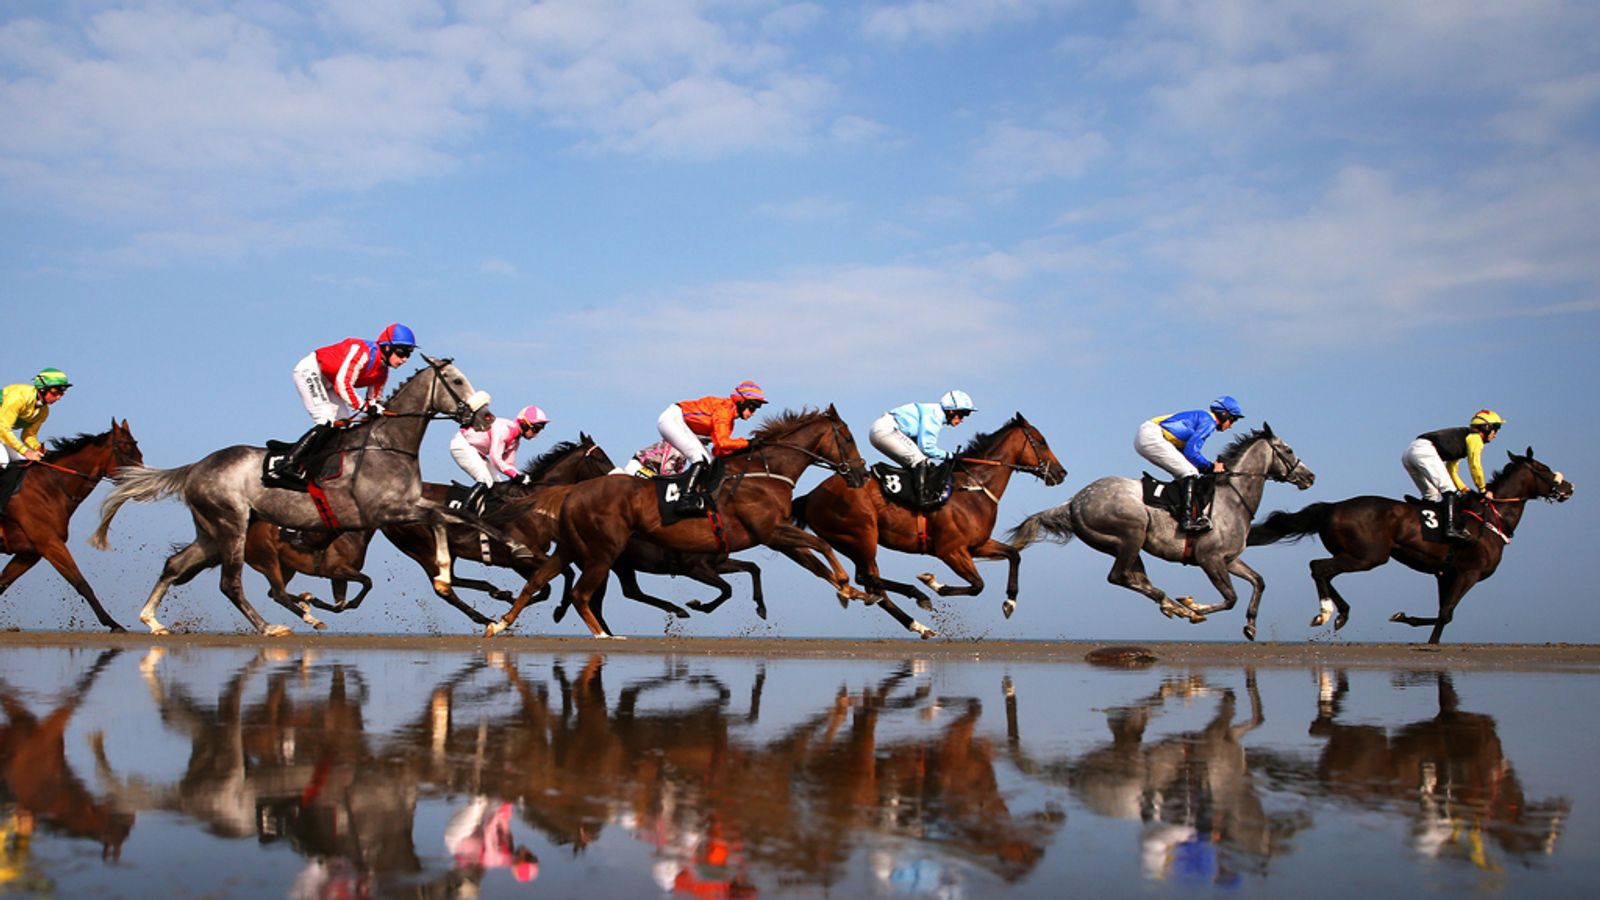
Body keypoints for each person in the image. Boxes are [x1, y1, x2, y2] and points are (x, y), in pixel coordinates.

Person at [274, 323, 418, 480]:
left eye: (408, 355)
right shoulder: (363, 352)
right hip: (311, 372)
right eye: (402, 352)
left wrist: (377, 409)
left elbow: (373, 400)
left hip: (329, 382)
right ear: (387, 347)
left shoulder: (382, 372)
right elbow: (343, 384)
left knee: (343, 421)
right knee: (326, 420)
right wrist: (364, 407)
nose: (404, 359)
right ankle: (287, 463)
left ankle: (313, 458)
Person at [1135, 396, 1243, 531]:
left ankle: (1175, 509)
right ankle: (1187, 520)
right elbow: (1191, 451)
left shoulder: (1202, 418)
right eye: (1232, 420)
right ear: (1224, 414)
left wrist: (1206, 467)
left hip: (1149, 435)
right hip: (1151, 436)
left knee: (1188, 471)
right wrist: (1210, 466)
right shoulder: (1208, 422)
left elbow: (1187, 453)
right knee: (1190, 472)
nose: (1231, 425)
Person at [1401, 409, 1503, 540]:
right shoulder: (1475, 438)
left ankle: (1422, 518)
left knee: (1432, 494)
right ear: (1487, 427)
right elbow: (1475, 465)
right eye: (1496, 429)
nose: (1495, 435)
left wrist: (1463, 489)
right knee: (1448, 490)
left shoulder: (1462, 439)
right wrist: (1483, 490)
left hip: (1409, 454)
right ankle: (1450, 528)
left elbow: (1451, 470)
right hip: (1424, 452)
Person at [656, 381, 767, 492]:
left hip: (680, 422)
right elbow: (722, 443)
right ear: (742, 402)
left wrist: (745, 450)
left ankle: (694, 494)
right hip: (671, 419)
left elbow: (718, 450)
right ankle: (686, 497)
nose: (753, 413)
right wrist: (748, 443)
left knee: (710, 462)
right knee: (700, 458)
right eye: (752, 408)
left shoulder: (729, 419)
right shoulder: (724, 410)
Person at [449, 405, 548, 511]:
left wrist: (523, 478)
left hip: (477, 452)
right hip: (463, 445)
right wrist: (516, 476)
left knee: (497, 485)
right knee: (485, 480)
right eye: (535, 429)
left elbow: (508, 465)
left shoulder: (515, 441)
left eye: (539, 430)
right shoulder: (504, 430)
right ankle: (463, 512)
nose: (536, 434)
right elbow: (495, 459)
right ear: (524, 423)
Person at [0, 369, 70, 470]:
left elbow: (28, 435)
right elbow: (3, 428)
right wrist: (26, 451)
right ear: (42, 389)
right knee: (3, 460)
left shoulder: (43, 411)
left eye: (62, 393)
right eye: (55, 392)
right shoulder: (18, 397)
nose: (58, 397)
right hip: (2, 430)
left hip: (2, 434)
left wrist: (38, 448)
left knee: (22, 462)